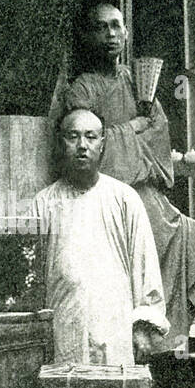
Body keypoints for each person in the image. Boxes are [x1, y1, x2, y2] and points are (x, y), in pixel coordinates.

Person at [61, 3, 195, 352]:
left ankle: (190, 328)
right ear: (88, 36)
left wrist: (132, 133)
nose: (111, 35)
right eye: (101, 28)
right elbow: (90, 148)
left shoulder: (135, 81)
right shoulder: (82, 89)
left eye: (117, 26)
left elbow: (159, 128)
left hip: (148, 193)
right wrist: (133, 128)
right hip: (110, 195)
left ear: (126, 32)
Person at [34, 107, 168, 365]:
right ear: (61, 142)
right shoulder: (44, 203)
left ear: (103, 143)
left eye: (90, 137)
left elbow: (145, 265)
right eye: (72, 137)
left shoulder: (124, 198)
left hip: (114, 330)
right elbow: (34, 278)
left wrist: (143, 324)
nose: (82, 145)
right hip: (63, 330)